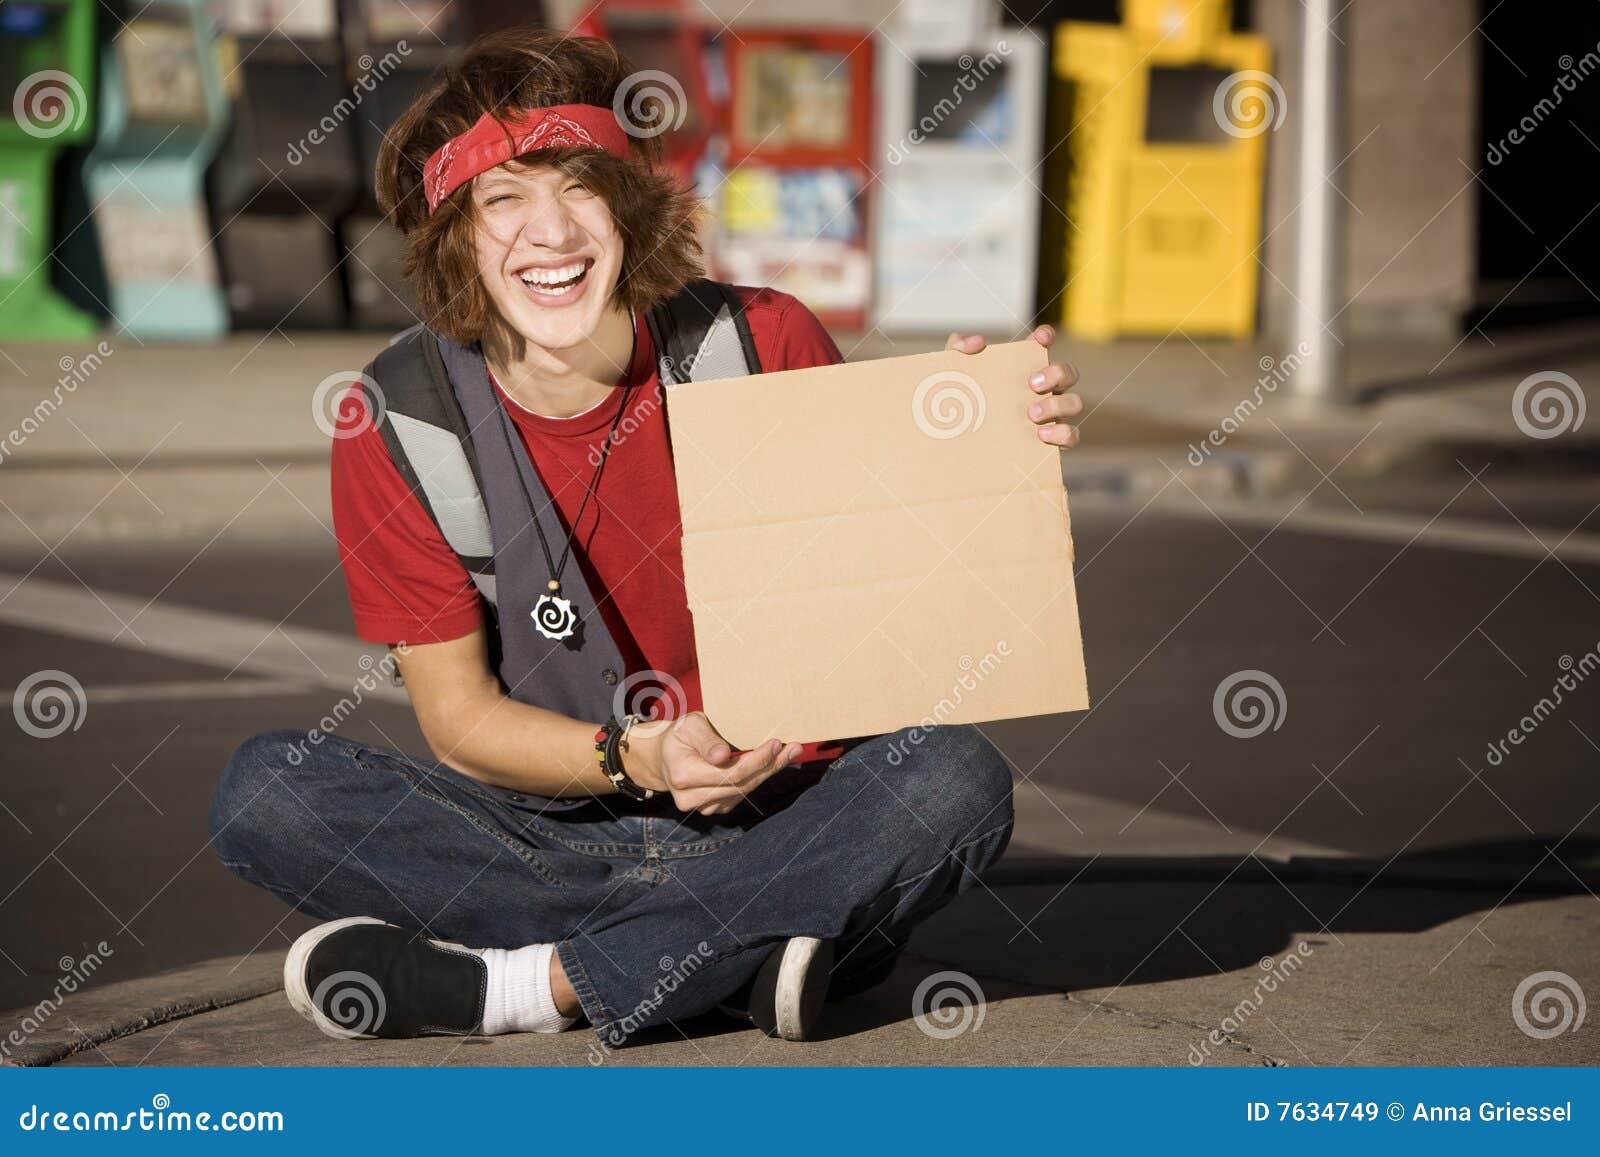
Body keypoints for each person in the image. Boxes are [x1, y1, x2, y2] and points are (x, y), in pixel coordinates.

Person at [208, 28, 1084, 1048]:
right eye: (505, 200)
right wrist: (641, 758)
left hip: (781, 807)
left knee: (953, 782)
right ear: (455, 235)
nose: (553, 234)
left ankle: (537, 984)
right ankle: (748, 947)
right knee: (267, 790)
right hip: (561, 816)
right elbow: (458, 721)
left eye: (581, 188)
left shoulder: (763, 339)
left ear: (628, 208)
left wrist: (976, 439)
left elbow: (884, 610)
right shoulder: (402, 415)